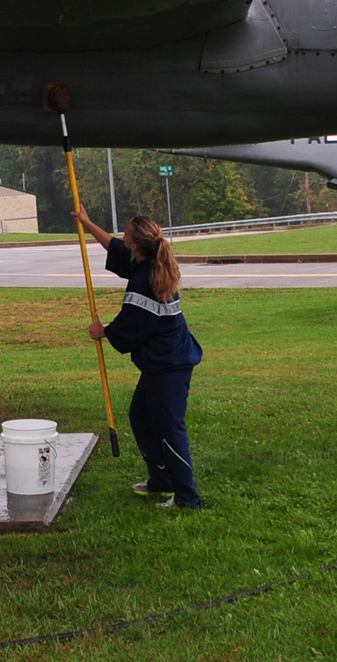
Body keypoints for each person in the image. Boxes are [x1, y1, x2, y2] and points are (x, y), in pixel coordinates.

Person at [78, 212, 205, 508]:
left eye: (126, 234)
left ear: (136, 245)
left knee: (170, 428)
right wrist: (86, 223)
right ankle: (161, 479)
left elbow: (133, 327)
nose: (122, 237)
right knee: (141, 416)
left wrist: (103, 331)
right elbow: (116, 249)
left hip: (169, 365)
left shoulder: (144, 282)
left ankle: (187, 497)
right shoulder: (146, 262)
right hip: (161, 362)